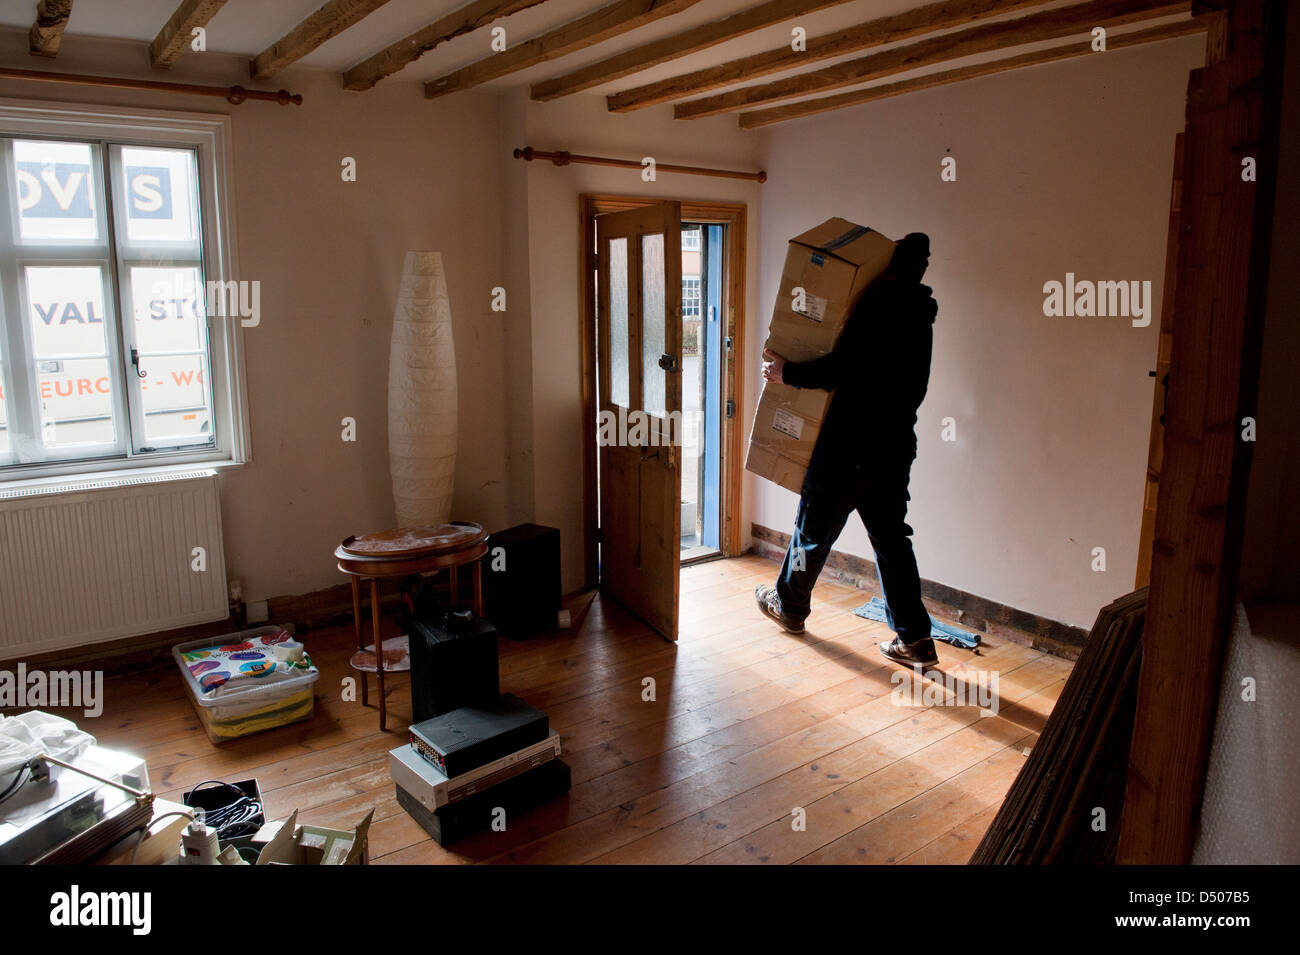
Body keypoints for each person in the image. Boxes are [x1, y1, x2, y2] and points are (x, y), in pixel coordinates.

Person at [755, 232, 939, 667]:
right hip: (894, 449)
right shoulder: (922, 316)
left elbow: (842, 369)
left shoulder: (879, 307)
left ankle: (790, 606)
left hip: (849, 444)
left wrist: (787, 373)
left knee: (811, 529)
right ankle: (916, 641)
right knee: (892, 541)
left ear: (890, 264)